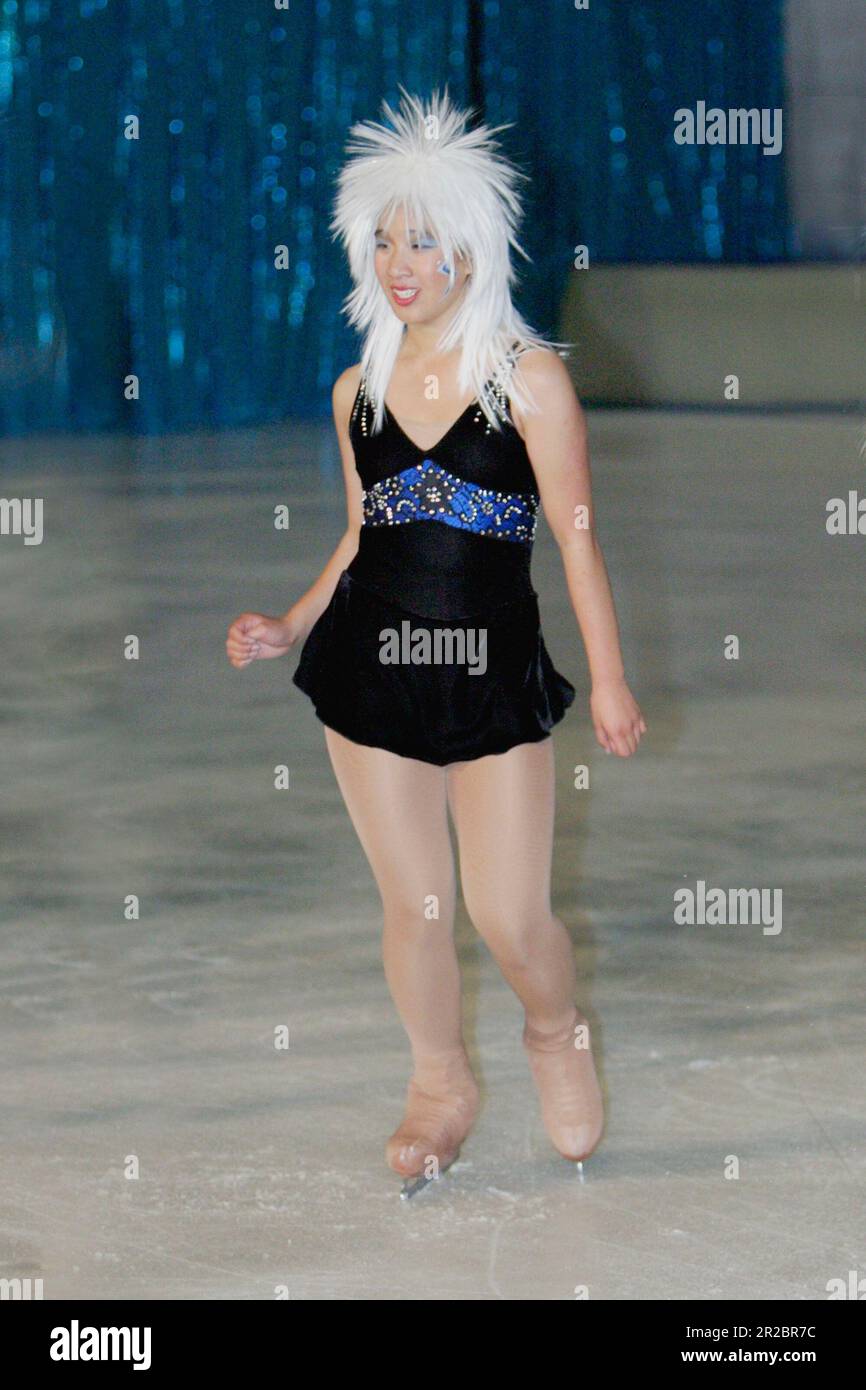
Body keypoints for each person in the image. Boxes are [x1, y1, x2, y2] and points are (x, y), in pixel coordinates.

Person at [226, 88, 646, 1192]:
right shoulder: (353, 391)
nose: (397, 260)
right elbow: (364, 532)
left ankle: (553, 1033)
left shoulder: (530, 384)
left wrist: (605, 680)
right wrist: (290, 621)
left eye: (420, 237)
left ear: (470, 247)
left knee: (508, 915)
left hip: (491, 682)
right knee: (413, 904)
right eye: (381, 239)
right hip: (368, 678)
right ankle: (436, 1085)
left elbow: (575, 540)